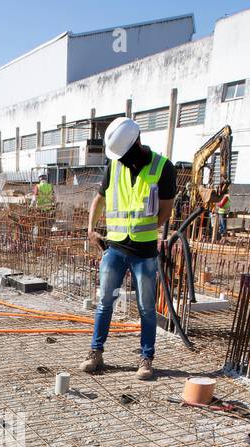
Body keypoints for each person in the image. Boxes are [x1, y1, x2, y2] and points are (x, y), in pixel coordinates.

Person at [82, 117, 176, 382]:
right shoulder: (114, 166)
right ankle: (95, 353)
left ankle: (146, 358)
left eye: (124, 154)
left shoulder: (163, 167)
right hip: (115, 247)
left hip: (144, 252)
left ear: (137, 142)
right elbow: (99, 200)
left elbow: (166, 210)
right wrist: (91, 228)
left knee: (147, 307)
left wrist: (143, 231)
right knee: (105, 302)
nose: (121, 159)